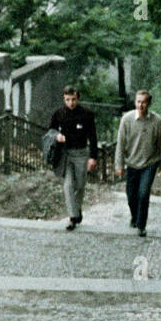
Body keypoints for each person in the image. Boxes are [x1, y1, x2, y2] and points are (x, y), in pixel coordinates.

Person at [114, 89, 161, 237]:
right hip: (132, 162)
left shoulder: (157, 121)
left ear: (149, 103)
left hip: (150, 163)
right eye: (138, 102)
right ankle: (135, 216)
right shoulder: (127, 119)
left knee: (143, 193)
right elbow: (120, 143)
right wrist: (119, 165)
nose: (141, 105)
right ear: (135, 102)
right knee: (131, 195)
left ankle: (141, 225)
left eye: (144, 102)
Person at [47, 86, 98, 230]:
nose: (71, 103)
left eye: (73, 99)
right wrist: (57, 136)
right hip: (65, 154)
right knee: (68, 185)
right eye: (68, 99)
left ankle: (77, 208)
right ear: (64, 99)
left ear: (78, 98)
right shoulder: (58, 114)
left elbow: (93, 136)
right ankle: (72, 217)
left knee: (80, 185)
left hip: (81, 153)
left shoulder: (87, 114)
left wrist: (93, 157)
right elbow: (50, 130)